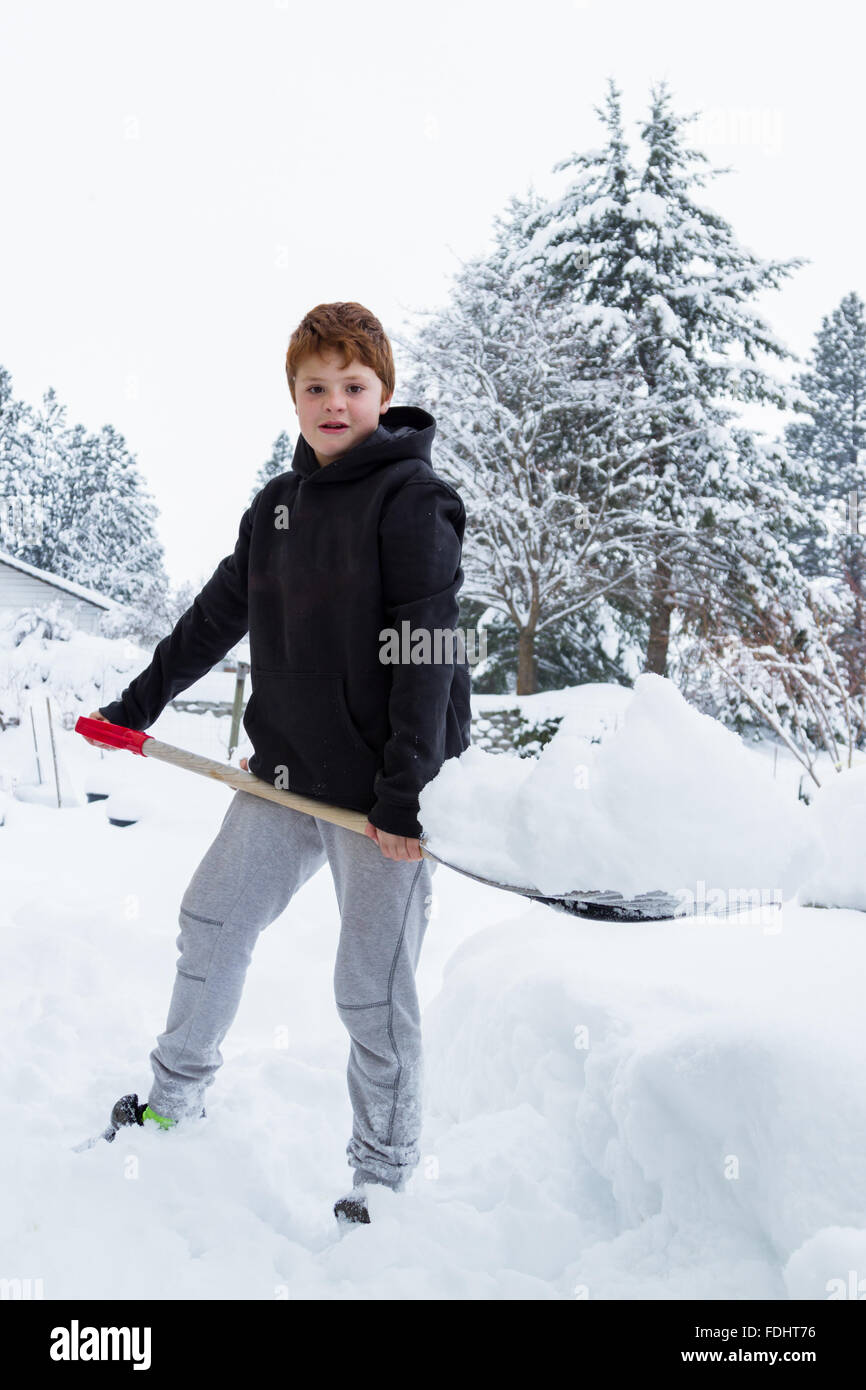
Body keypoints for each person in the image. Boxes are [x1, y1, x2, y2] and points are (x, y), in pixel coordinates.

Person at [84, 301, 472, 1224]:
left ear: (384, 391)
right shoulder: (278, 508)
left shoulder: (412, 500)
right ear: (293, 396)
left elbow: (428, 643)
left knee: (370, 991)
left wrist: (408, 793)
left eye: (354, 385)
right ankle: (171, 1104)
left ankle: (383, 1177)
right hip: (287, 776)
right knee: (211, 921)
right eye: (315, 387)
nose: (334, 403)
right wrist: (135, 707)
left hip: (386, 798)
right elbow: (220, 614)